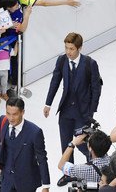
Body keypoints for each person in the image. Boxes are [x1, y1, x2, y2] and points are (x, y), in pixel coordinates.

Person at [44, 32, 103, 163]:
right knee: (65, 143)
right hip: (65, 110)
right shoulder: (61, 60)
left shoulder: (90, 63)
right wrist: (48, 104)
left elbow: (96, 89)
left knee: (82, 143)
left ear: (79, 48)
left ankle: (93, 166)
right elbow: (55, 82)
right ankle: (68, 173)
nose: (68, 52)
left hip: (83, 111)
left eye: (71, 49)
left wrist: (91, 112)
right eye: (66, 48)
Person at [0, 96, 51, 192]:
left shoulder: (35, 132)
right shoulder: (3, 120)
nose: (11, 118)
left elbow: (42, 158)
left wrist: (46, 185)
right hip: (7, 179)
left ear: (22, 112)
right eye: (8, 113)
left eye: (15, 114)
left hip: (27, 182)